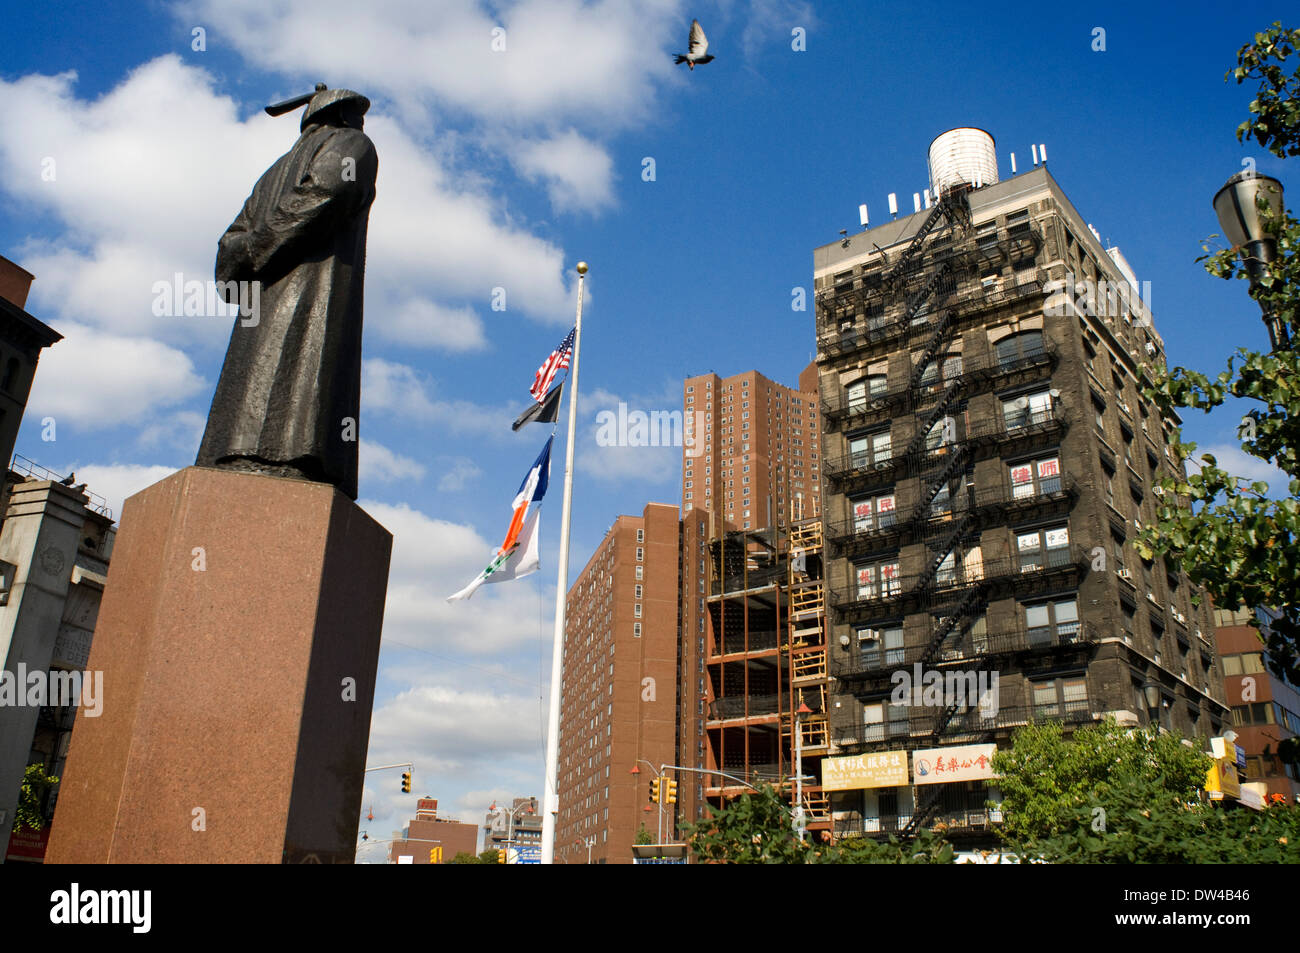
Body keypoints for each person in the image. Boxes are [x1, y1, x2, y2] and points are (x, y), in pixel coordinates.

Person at [195, 88, 378, 500]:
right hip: (313, 290)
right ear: (340, 114)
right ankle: (292, 460)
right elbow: (329, 191)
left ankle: (252, 456)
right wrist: (261, 247)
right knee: (300, 385)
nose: (363, 122)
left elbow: (233, 244)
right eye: (357, 113)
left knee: (265, 388)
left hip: (263, 300)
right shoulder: (353, 144)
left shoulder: (272, 173)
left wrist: (252, 252)